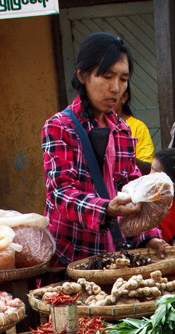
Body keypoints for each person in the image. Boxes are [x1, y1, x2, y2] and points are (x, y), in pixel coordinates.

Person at [42, 31, 150, 263]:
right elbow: (60, 193)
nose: (116, 88)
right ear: (82, 75)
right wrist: (106, 208)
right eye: (107, 76)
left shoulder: (122, 129)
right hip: (74, 253)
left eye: (123, 79)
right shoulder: (60, 126)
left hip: (117, 252)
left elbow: (132, 186)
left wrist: (149, 235)